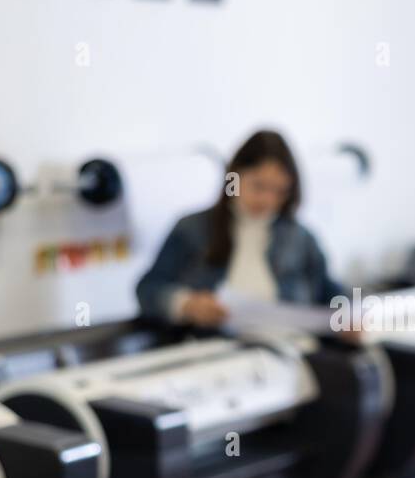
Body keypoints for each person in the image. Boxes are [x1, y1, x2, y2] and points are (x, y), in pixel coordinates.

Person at [136, 130, 345, 329]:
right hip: (216, 351)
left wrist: (347, 315)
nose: (267, 200)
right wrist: (186, 304)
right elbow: (147, 288)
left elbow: (329, 290)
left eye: (279, 191)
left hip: (289, 348)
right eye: (258, 186)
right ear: (233, 178)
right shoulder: (192, 228)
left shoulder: (299, 237)